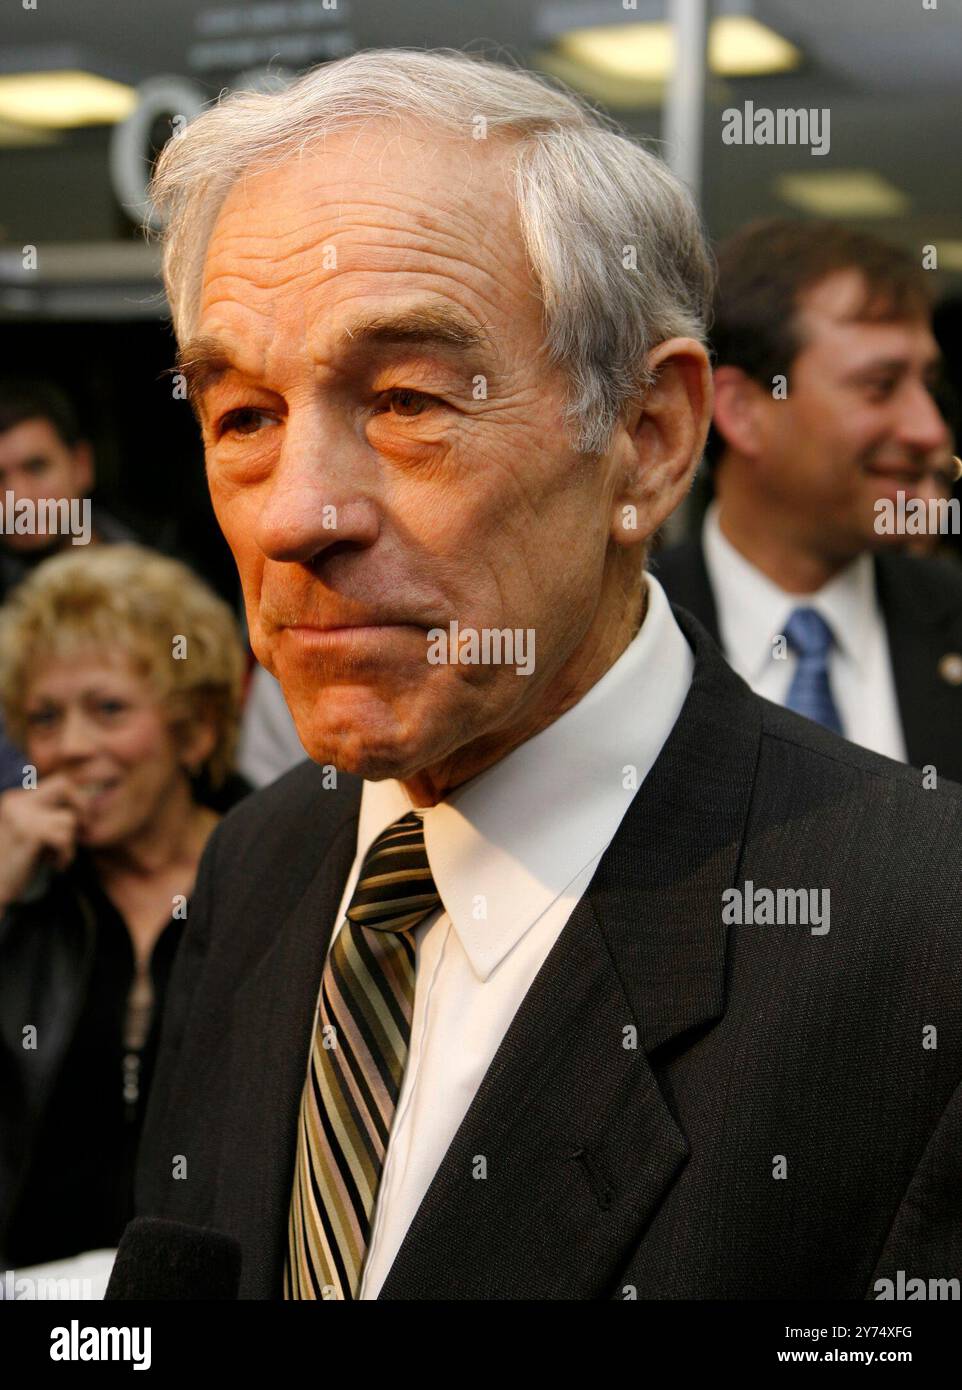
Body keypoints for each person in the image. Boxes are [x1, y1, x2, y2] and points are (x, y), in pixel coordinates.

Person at [113, 50, 962, 1301]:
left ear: (646, 439)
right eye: (241, 415)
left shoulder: (918, 941)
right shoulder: (264, 861)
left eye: (405, 397)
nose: (295, 512)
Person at [0, 544, 248, 1268]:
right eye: (45, 718)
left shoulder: (278, 872)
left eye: (108, 709)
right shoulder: (28, 890)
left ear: (194, 728)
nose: (71, 746)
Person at [655, 220, 962, 781]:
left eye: (929, 385)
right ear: (744, 410)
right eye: (880, 385)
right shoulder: (627, 642)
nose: (929, 429)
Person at [0, 379, 140, 791]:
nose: (19, 497)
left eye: (36, 467)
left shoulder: (161, 583)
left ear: (81, 466)